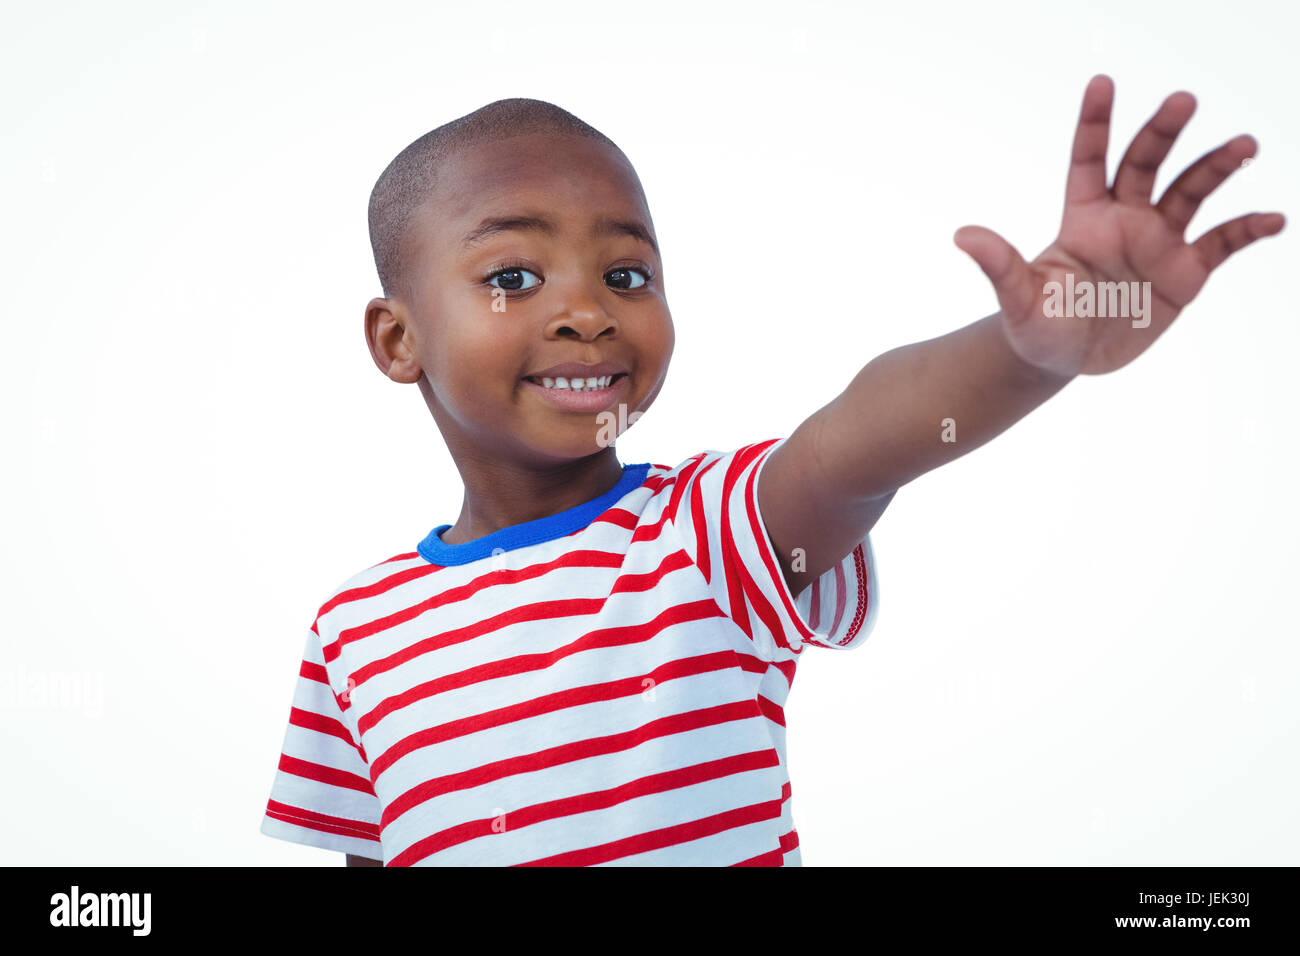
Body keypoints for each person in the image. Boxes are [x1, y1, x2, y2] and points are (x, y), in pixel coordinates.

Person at [259, 77, 1283, 866]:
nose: (587, 309)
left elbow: (852, 445)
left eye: (626, 273)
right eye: (513, 276)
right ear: (397, 340)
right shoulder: (353, 628)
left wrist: (1028, 352)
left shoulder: (701, 534)